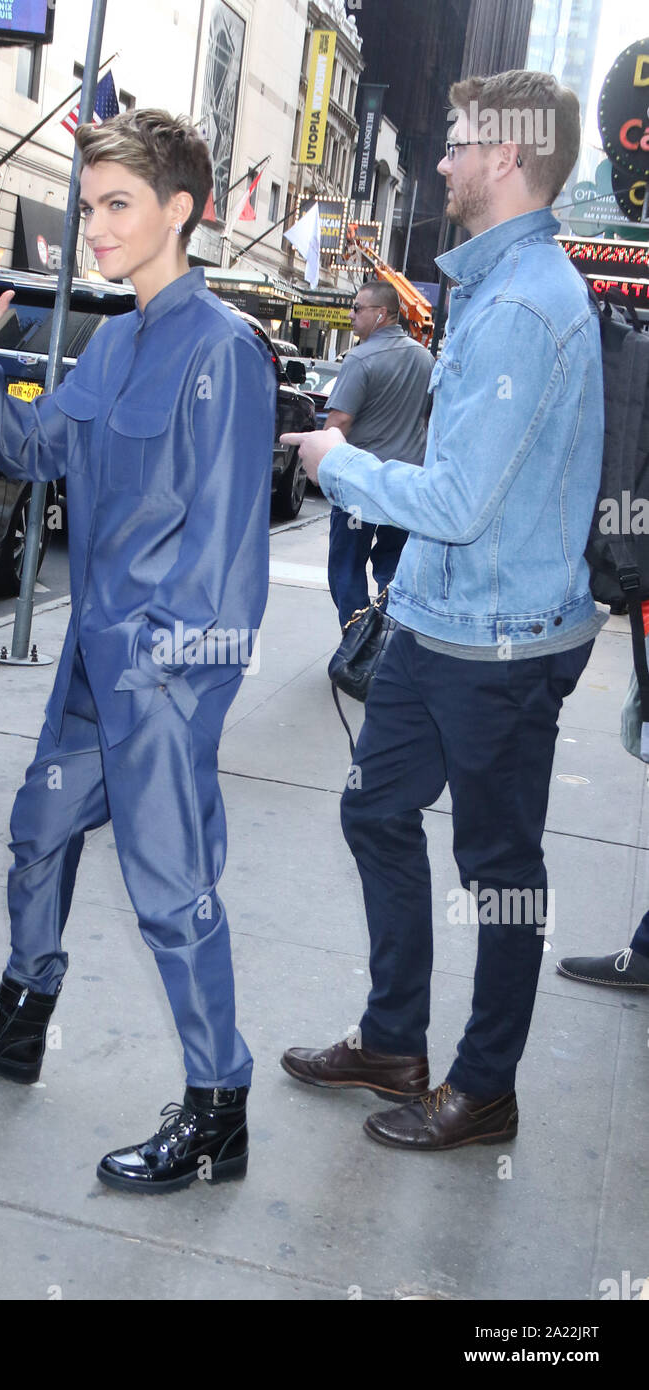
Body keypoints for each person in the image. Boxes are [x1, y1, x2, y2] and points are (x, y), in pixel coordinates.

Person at [0, 110, 276, 1193]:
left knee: (172, 894)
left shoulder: (228, 353)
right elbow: (31, 449)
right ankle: (23, 1017)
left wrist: (173, 695)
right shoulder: (114, 340)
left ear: (181, 211)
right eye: (88, 204)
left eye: (117, 204)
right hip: (91, 664)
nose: (93, 226)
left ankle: (219, 1111)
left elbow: (228, 560)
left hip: (158, 679)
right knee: (37, 832)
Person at [279, 70, 604, 1151]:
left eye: (458, 143)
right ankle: (390, 1041)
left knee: (499, 870)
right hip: (434, 623)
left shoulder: (518, 302)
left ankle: (484, 1086)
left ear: (507, 158)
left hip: (499, 645)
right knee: (374, 812)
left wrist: (338, 461)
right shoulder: (497, 284)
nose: (443, 161)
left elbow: (461, 503)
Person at [325, 281, 433, 625]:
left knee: (346, 565)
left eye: (358, 308)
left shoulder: (360, 358)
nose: (351, 314)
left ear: (381, 314)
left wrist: (325, 468)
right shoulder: (424, 358)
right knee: (393, 566)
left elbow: (339, 421)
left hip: (360, 484)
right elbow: (430, 418)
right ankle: (388, 638)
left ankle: (359, 643)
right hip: (406, 485)